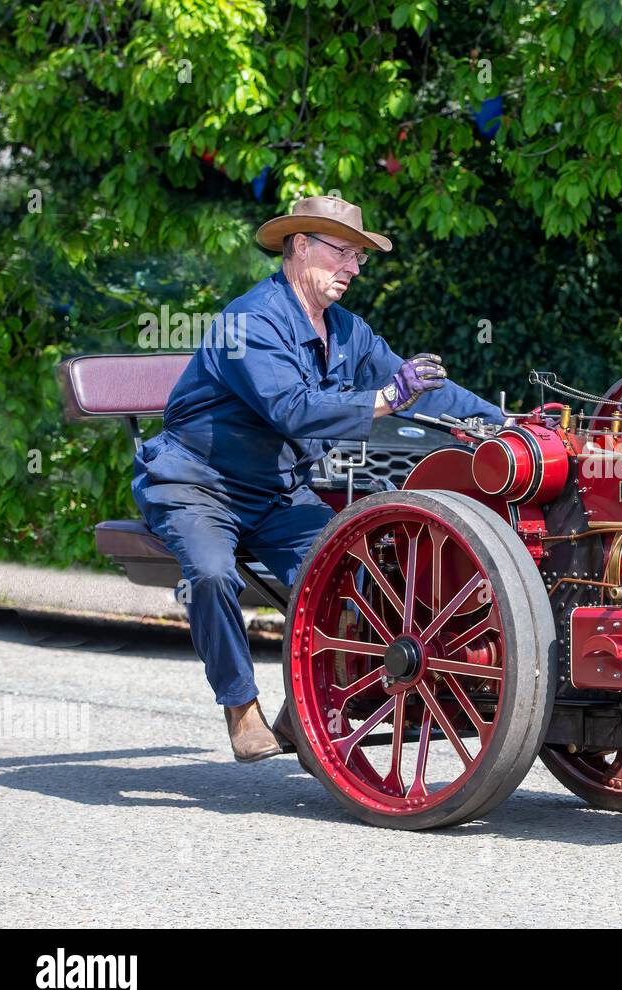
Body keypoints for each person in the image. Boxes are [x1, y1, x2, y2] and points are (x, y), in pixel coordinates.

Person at [132, 195, 501, 761]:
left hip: (278, 494)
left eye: (359, 257)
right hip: (195, 485)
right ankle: (240, 709)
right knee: (210, 574)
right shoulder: (246, 322)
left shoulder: (348, 331)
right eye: (343, 253)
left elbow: (422, 390)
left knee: (360, 575)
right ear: (299, 246)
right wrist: (383, 398)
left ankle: (296, 711)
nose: (353, 268)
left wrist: (503, 423)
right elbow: (291, 408)